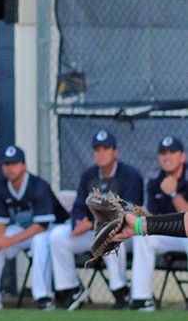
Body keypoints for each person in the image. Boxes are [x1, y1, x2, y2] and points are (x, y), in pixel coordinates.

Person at [48, 130, 144, 309]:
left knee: (110, 236)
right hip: (93, 230)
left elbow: (128, 212)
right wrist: (78, 222)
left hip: (127, 234)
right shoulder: (88, 175)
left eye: (105, 149)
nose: (101, 153)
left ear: (115, 152)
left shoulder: (130, 175)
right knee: (57, 237)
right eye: (97, 149)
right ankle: (71, 289)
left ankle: (120, 292)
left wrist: (91, 224)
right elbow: (78, 205)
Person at [0, 146, 67, 310]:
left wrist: (9, 240)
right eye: (6, 164)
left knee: (39, 241)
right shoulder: (1, 187)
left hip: (51, 229)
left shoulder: (39, 186)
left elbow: (41, 226)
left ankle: (43, 296)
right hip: (24, 230)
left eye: (14, 164)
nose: (10, 168)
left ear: (24, 166)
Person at [124, 136, 188, 311]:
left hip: (186, 234)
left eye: (172, 152)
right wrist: (136, 215)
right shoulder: (153, 179)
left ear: (182, 156)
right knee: (142, 237)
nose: (166, 157)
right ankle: (141, 299)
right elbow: (151, 215)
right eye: (162, 153)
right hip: (168, 232)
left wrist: (174, 193)